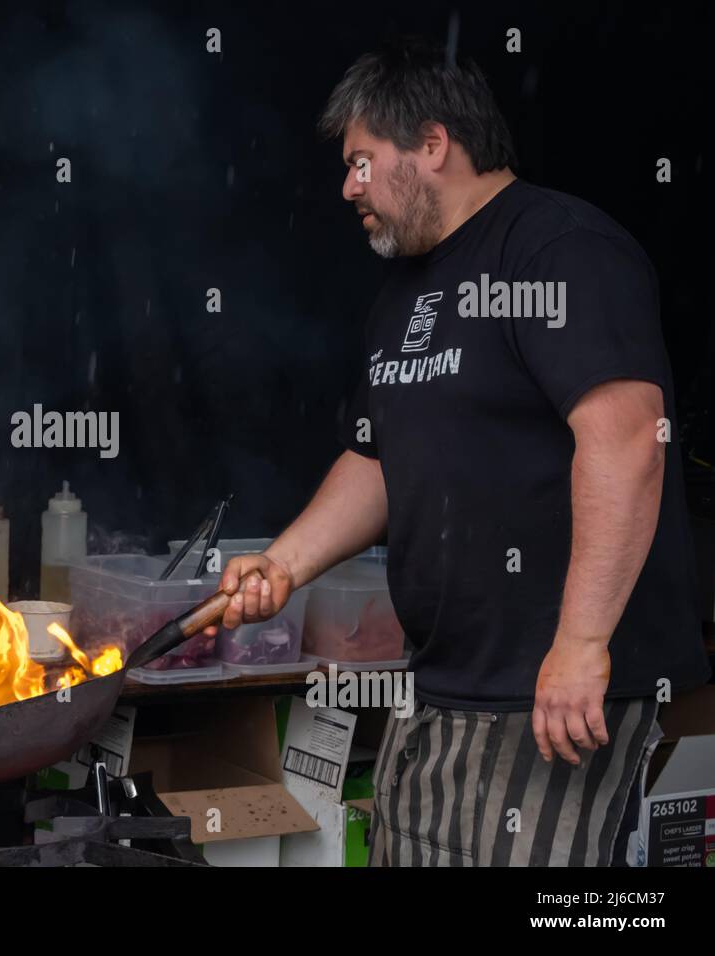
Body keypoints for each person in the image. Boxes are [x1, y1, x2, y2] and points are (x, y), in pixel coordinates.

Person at [212, 39, 711, 866]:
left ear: (433, 145)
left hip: (551, 696)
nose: (348, 188)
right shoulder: (403, 291)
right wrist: (282, 567)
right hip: (438, 687)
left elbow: (628, 444)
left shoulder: (559, 250)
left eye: (363, 162)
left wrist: (582, 644)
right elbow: (375, 461)